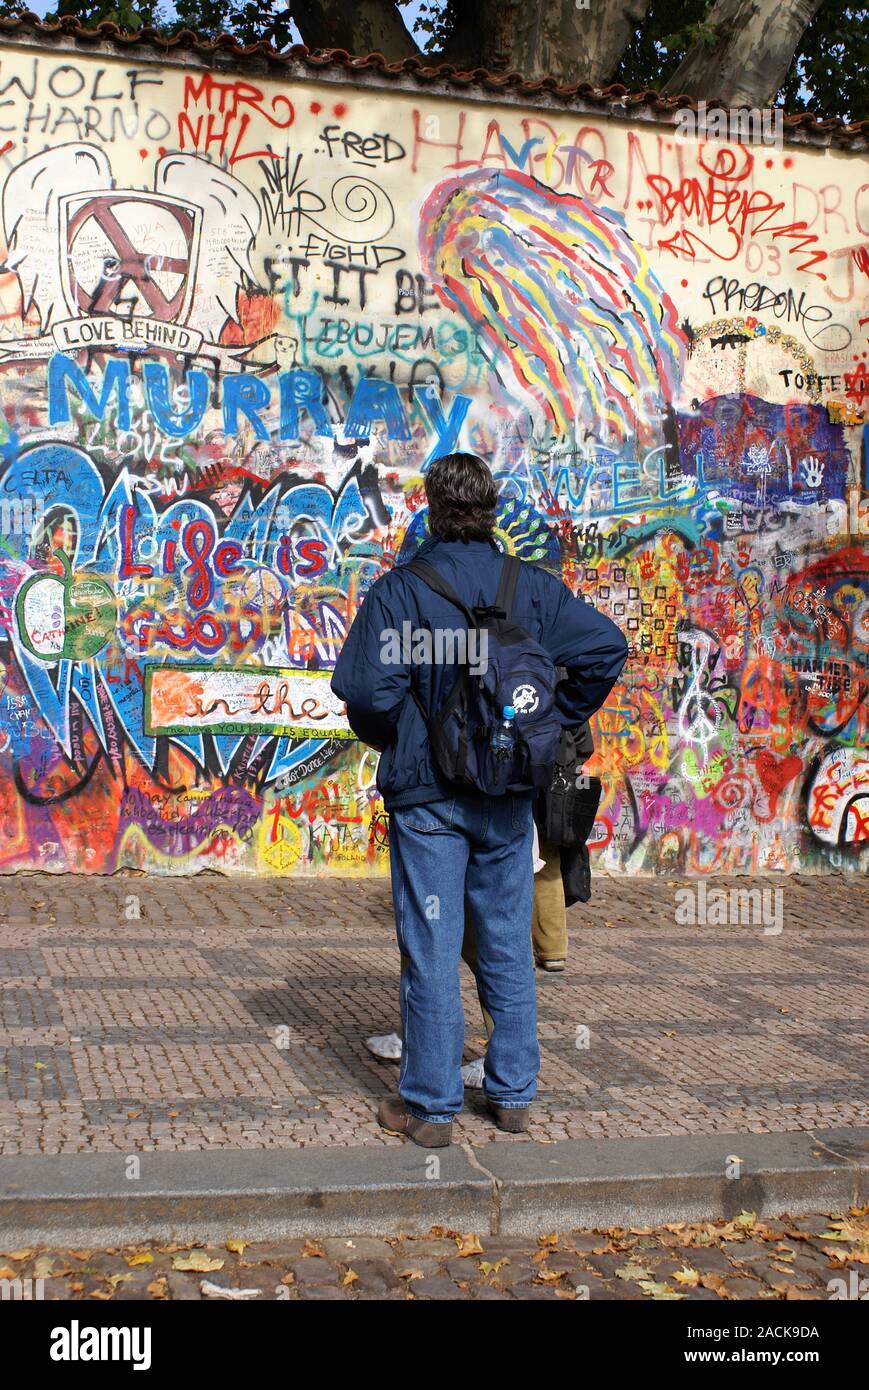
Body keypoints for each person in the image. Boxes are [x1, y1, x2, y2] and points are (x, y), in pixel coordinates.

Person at [331, 453, 627, 1147]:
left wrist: (407, 736)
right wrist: (551, 722)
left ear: (432, 509)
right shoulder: (530, 588)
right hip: (506, 795)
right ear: (492, 510)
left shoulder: (401, 592)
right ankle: (512, 1094)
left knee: (432, 947)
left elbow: (367, 692)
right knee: (504, 943)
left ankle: (430, 1110)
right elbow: (605, 649)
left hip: (427, 797)